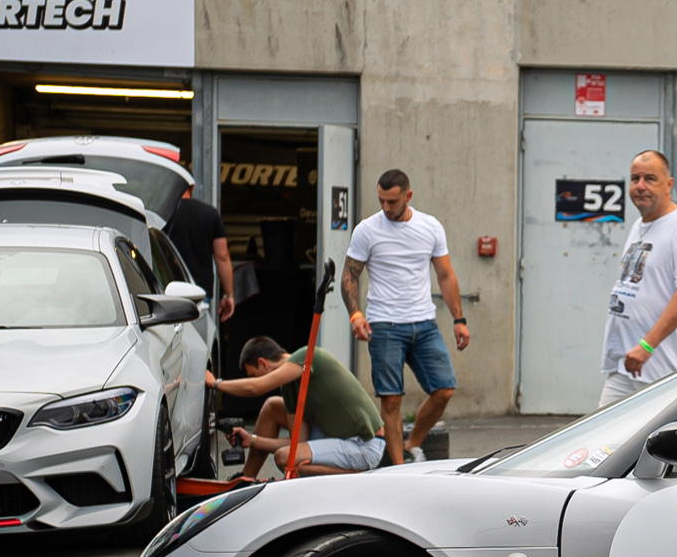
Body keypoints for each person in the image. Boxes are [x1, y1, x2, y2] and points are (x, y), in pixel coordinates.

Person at [343, 169, 469, 465]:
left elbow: (445, 275)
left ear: (408, 196)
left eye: (392, 201)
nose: (386, 207)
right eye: (381, 201)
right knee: (391, 400)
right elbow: (350, 275)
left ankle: (412, 443)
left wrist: (459, 320)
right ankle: (398, 469)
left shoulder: (430, 227)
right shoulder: (367, 230)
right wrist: (355, 314)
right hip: (384, 325)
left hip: (424, 323)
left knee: (444, 389)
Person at [599, 150, 677, 408]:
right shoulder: (639, 226)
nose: (640, 186)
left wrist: (646, 347)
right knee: (601, 444)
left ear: (668, 184)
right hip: (625, 368)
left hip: (662, 373)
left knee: (656, 447)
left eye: (650, 178)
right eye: (635, 178)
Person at [206, 336, 387, 476]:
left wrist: (216, 384)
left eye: (254, 374)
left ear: (263, 363)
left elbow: (256, 387)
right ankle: (246, 479)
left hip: (364, 446)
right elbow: (296, 443)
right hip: (339, 439)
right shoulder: (290, 389)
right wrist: (251, 439)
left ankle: (357, 476)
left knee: (285, 459)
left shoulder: (308, 357)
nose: (256, 379)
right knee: (272, 407)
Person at [163, 183, 235, 321]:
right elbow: (223, 257)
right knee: (199, 336)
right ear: (192, 187)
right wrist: (228, 295)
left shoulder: (165, 213)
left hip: (169, 289)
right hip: (200, 291)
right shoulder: (210, 214)